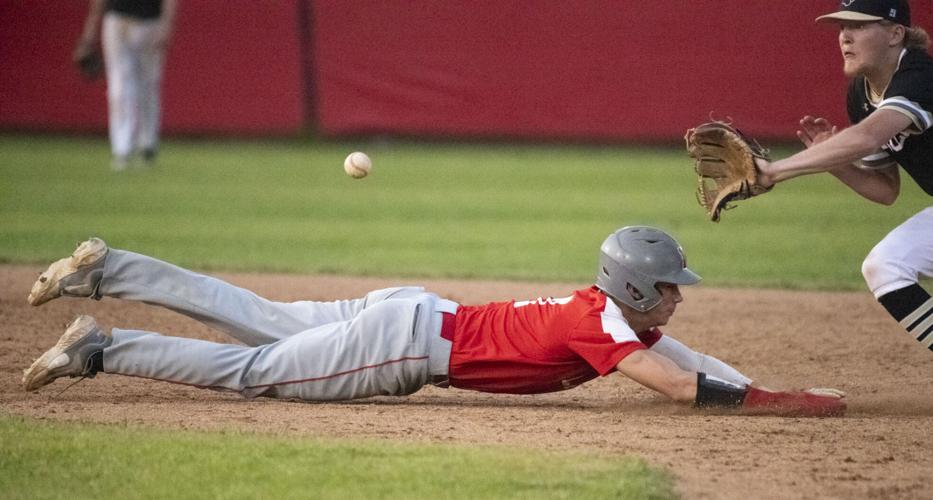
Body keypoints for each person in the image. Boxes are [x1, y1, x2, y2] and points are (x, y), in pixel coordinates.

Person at [21, 227, 845, 416]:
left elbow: (690, 356)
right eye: (668, 288)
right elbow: (671, 384)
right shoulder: (605, 332)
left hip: (411, 309)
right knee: (255, 371)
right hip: (405, 343)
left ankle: (110, 270)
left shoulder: (602, 310)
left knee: (253, 314)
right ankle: (105, 348)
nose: (678, 299)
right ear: (634, 290)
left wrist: (769, 389)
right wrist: (764, 407)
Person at [755, 0, 933, 350]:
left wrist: (775, 170)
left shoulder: (920, 78)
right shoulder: (861, 95)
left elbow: (867, 136)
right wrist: (835, 163)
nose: (845, 37)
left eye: (859, 26)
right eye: (841, 27)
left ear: (896, 33)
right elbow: (885, 190)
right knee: (885, 265)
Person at [74, 0, 178, 170]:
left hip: (151, 20)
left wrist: (166, 23)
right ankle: (122, 147)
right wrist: (88, 35)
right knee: (120, 84)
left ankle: (147, 144)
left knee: (148, 84)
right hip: (117, 18)